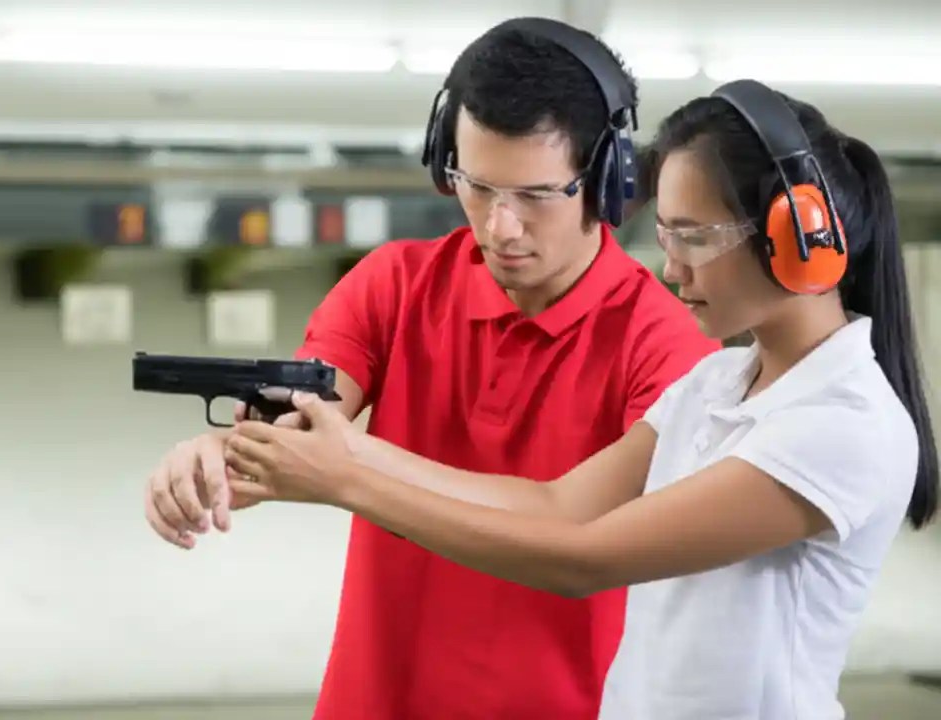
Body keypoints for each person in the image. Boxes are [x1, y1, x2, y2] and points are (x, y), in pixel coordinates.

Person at [223, 78, 940, 719]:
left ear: (800, 237)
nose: (671, 264)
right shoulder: (717, 382)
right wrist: (348, 450)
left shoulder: (842, 425)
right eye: (665, 234)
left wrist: (348, 481)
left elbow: (584, 557)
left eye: (694, 237)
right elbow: (558, 503)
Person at [142, 18, 719, 719]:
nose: (501, 225)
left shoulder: (667, 348)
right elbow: (303, 422)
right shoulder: (393, 285)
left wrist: (350, 469)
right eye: (476, 186)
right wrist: (218, 455)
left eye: (535, 195)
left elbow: (578, 531)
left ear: (605, 181)